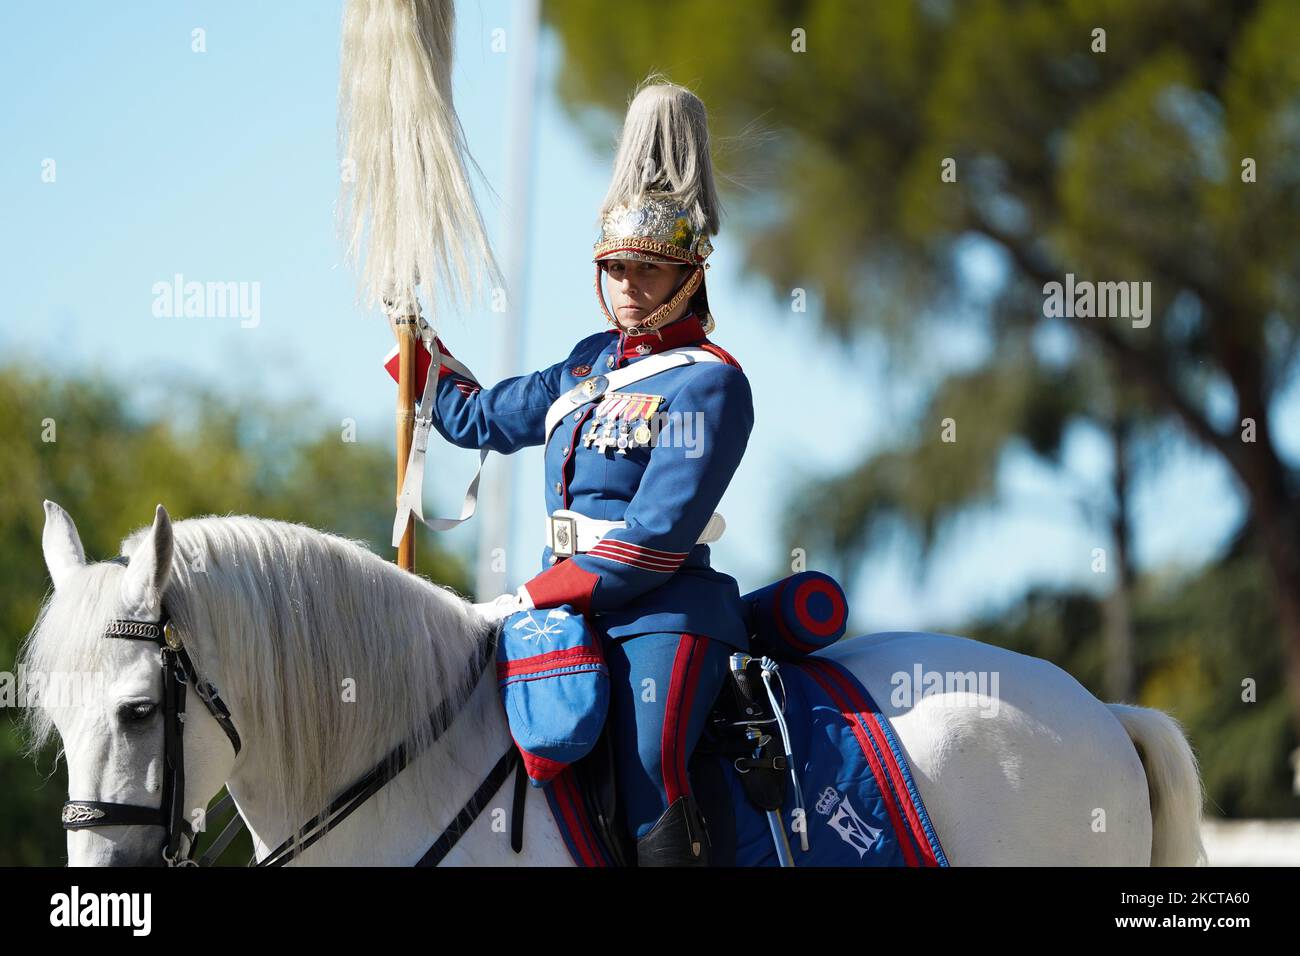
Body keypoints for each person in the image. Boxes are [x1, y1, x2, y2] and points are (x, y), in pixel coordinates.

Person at [421, 80, 752, 866]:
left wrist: (535, 593)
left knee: (649, 760)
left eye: (646, 270)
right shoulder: (584, 365)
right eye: (616, 268)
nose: (628, 287)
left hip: (662, 613)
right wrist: (414, 346)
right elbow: (479, 418)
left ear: (689, 273)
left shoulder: (708, 381)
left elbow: (651, 544)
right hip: (562, 606)